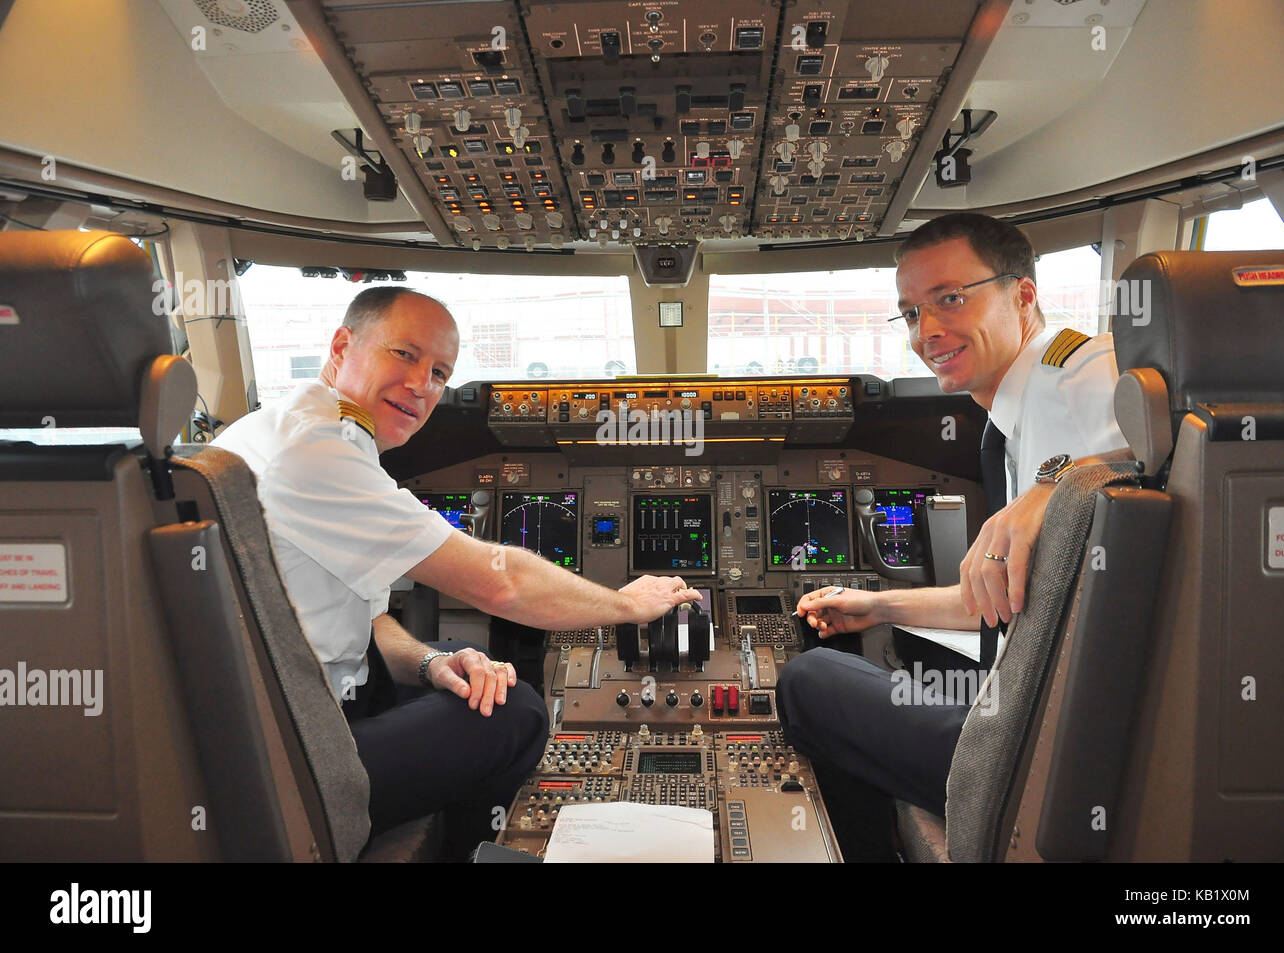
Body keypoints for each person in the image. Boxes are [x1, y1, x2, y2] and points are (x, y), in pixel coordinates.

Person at [213, 286, 700, 859]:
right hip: (293, 757)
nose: (422, 385)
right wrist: (628, 605)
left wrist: (430, 662)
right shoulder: (316, 451)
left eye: (440, 372)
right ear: (342, 344)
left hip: (280, 706)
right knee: (513, 710)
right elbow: (501, 582)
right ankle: (467, 850)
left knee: (456, 659)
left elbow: (367, 622)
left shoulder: (294, 426)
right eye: (405, 354)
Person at [776, 212, 1131, 859]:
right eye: (911, 312)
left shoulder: (1079, 371)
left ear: (1023, 294)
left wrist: (1059, 486)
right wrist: (880, 605)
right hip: (1033, 710)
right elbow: (1011, 597)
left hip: (1035, 753)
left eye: (950, 298)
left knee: (807, 679)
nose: (928, 331)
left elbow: (1162, 456)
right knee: (858, 652)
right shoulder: (1010, 415)